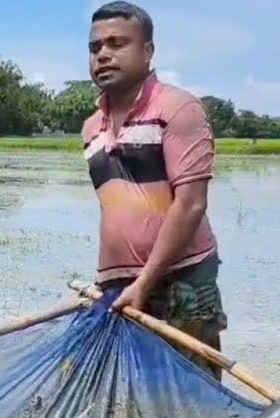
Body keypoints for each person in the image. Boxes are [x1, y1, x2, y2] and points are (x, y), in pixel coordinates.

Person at [82, 1, 228, 381]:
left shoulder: (178, 109)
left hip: (181, 281)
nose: (104, 55)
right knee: (139, 388)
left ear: (147, 51)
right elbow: (116, 209)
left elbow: (191, 205)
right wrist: (109, 284)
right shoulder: (91, 128)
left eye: (117, 44)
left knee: (194, 392)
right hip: (119, 286)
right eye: (95, 47)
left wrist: (145, 281)